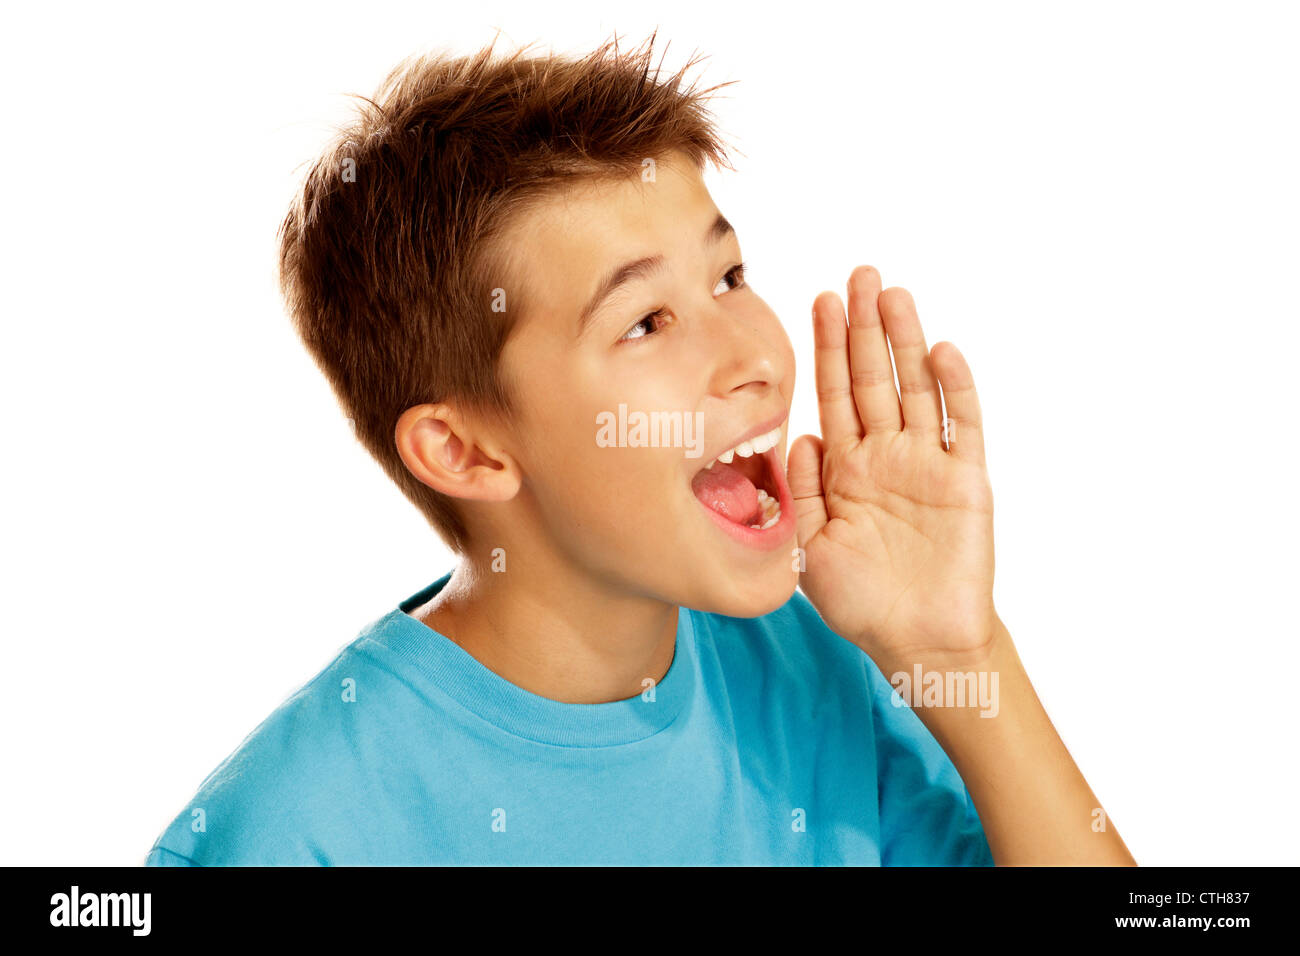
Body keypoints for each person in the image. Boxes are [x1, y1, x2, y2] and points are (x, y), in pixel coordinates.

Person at [145, 33, 1135, 866]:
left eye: (730, 274)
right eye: (645, 322)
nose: (754, 353)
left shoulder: (810, 665)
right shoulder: (295, 829)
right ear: (465, 449)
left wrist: (961, 656)